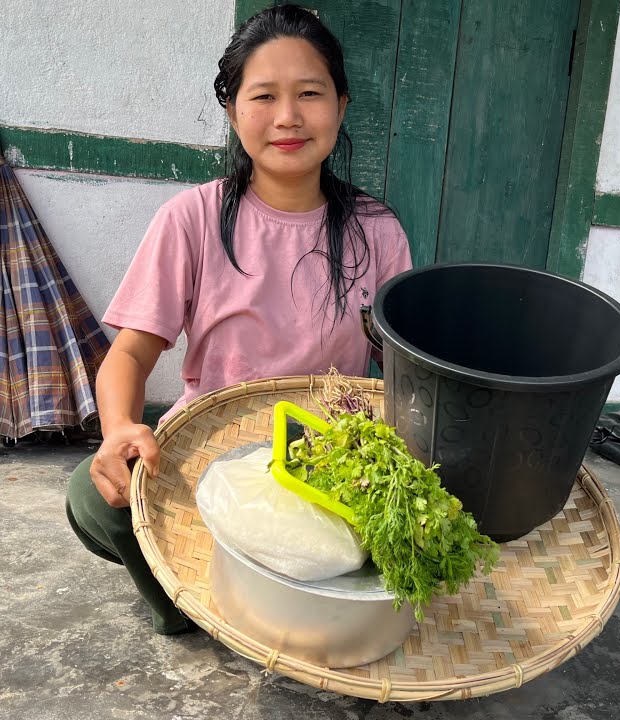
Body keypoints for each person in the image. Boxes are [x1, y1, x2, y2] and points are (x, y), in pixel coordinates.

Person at [64, 5, 413, 635]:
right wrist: (118, 428)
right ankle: (189, 607)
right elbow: (131, 354)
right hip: (212, 454)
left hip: (330, 460)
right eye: (264, 96)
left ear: (341, 103)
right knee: (96, 498)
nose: (287, 117)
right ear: (232, 110)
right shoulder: (191, 219)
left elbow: (402, 367)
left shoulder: (378, 231)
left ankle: (286, 602)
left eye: (310, 93)